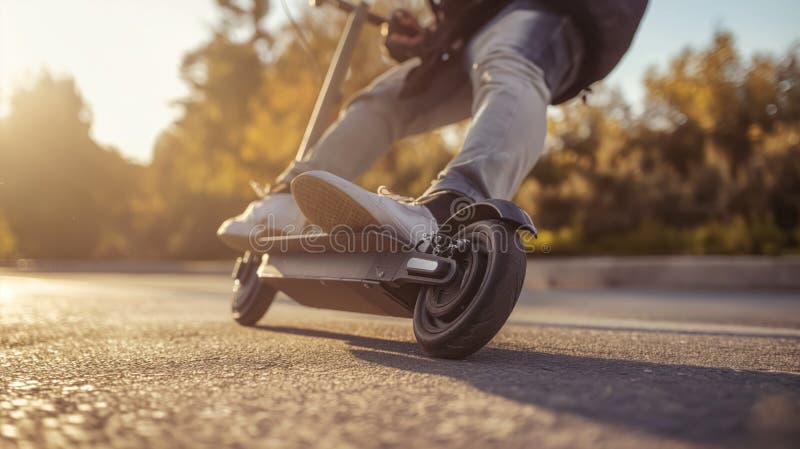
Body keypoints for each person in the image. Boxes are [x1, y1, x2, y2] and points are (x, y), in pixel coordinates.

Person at [218, 0, 649, 251]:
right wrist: (428, 36)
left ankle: (452, 211)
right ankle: (288, 201)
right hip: (475, 26)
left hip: (557, 10)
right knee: (383, 99)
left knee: (510, 66)